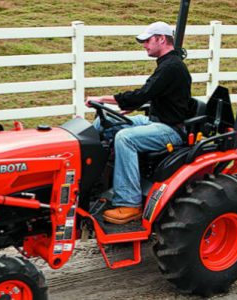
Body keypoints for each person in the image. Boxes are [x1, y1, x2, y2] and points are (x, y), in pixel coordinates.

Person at [86, 21, 192, 225]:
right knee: (105, 122)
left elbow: (143, 93)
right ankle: (91, 185)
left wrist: (103, 99)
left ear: (161, 39)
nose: (144, 45)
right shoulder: (167, 65)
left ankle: (129, 203)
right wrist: (131, 106)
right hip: (154, 119)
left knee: (125, 138)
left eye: (147, 41)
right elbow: (156, 94)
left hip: (170, 128)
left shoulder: (172, 67)